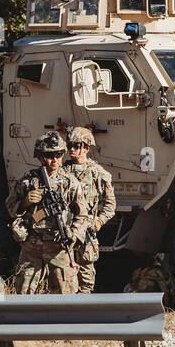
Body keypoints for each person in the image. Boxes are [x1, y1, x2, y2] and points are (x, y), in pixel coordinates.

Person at [6, 132, 90, 294]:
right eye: (50, 155)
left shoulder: (70, 183)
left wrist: (72, 234)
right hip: (32, 244)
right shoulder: (28, 181)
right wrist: (26, 202)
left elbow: (82, 214)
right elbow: (10, 208)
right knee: (24, 292)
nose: (55, 160)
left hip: (59, 245)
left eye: (59, 154)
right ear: (39, 156)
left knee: (65, 294)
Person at [63, 126, 116, 294]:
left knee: (86, 282)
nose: (72, 149)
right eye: (70, 145)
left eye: (76, 145)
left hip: (86, 234)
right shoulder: (61, 172)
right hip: (65, 232)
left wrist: (98, 221)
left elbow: (110, 205)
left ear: (86, 147)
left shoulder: (98, 174)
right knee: (63, 279)